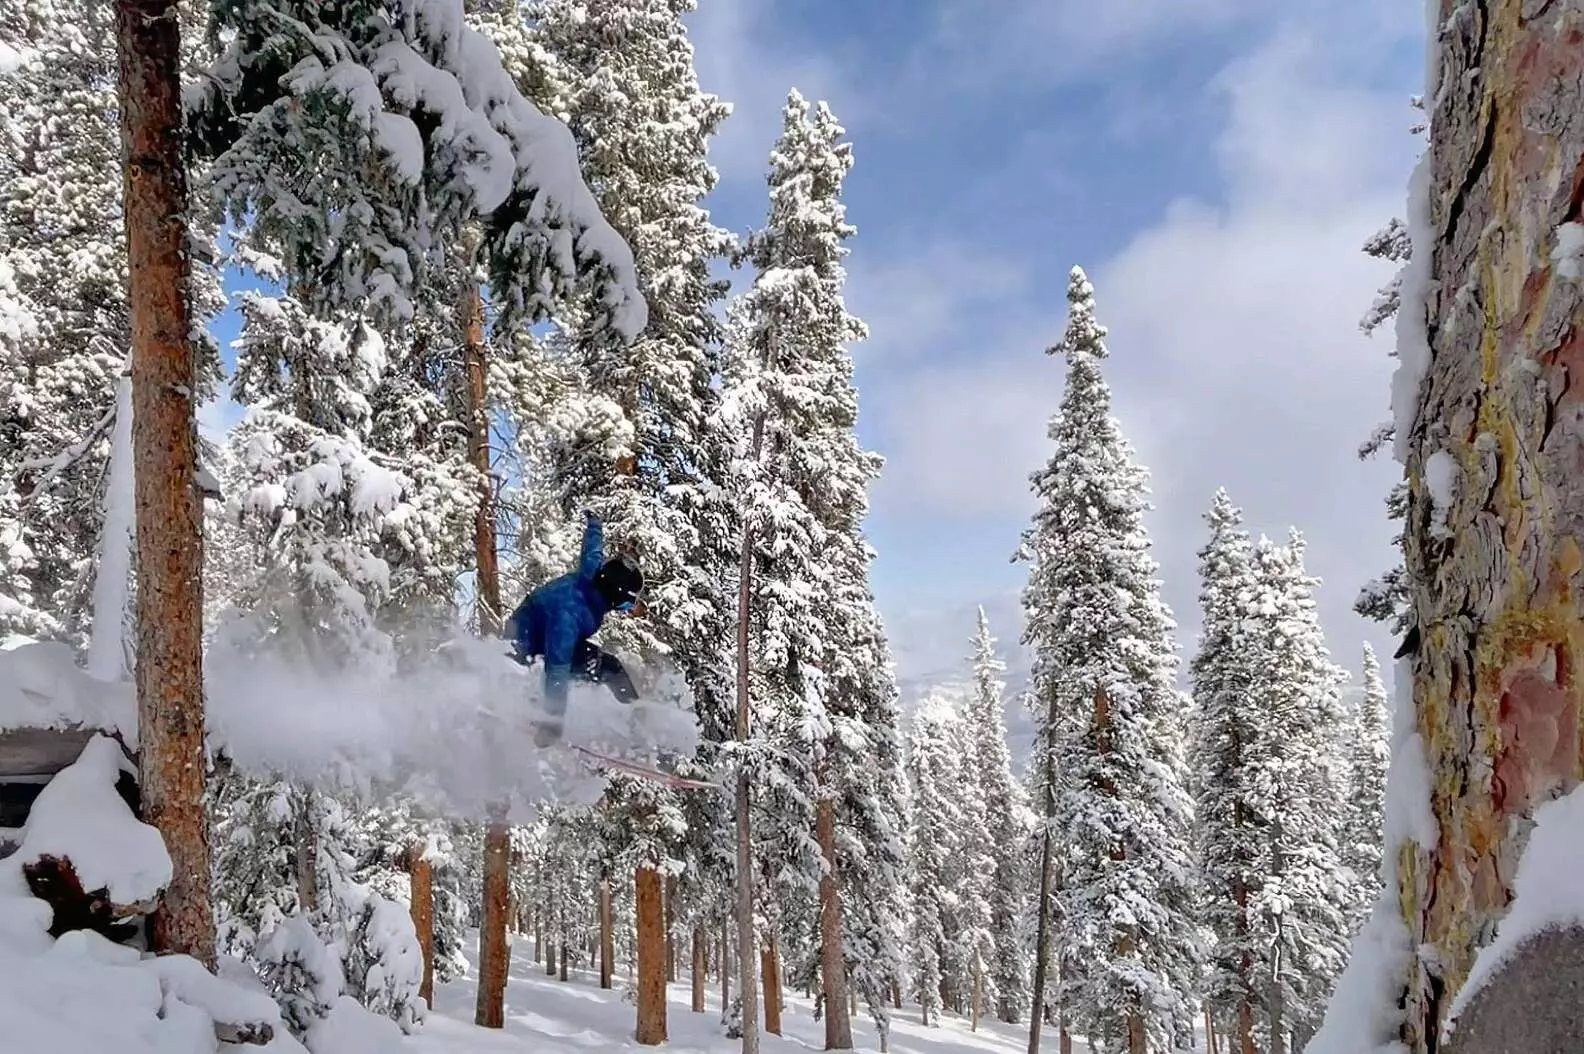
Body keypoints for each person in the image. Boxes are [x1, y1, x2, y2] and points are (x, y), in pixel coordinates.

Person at [504, 509, 643, 747]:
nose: (629, 608)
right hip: (525, 647)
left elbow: (592, 549)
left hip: (547, 636)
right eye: (629, 602)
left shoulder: (593, 577)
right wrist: (552, 722)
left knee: (609, 667)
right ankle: (532, 707)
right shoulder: (570, 615)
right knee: (587, 667)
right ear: (616, 594)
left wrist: (595, 524)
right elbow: (557, 668)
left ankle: (639, 719)